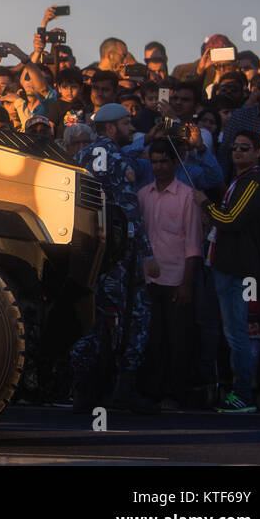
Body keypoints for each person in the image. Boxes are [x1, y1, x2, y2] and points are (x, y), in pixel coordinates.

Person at [70, 103, 160, 414]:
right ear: (110, 128)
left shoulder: (80, 156)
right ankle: (123, 388)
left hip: (85, 252)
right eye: (125, 124)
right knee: (134, 317)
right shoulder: (120, 162)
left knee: (91, 319)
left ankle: (84, 392)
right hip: (119, 255)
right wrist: (147, 255)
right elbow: (130, 213)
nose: (130, 128)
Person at [196, 131, 260, 413]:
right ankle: (236, 390)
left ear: (257, 153)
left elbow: (230, 219)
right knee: (231, 331)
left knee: (238, 333)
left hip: (238, 270)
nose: (238, 152)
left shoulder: (253, 182)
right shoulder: (241, 180)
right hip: (226, 266)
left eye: (245, 148)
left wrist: (204, 202)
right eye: (235, 148)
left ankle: (243, 394)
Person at [137, 140, 203, 406]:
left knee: (178, 339)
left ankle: (177, 394)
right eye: (155, 161)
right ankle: (152, 391)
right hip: (147, 279)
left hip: (176, 278)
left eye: (164, 161)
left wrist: (186, 284)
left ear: (175, 163)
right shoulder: (143, 195)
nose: (159, 166)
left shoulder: (188, 196)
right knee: (152, 337)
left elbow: (194, 244)